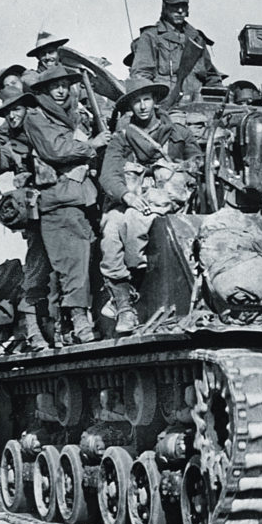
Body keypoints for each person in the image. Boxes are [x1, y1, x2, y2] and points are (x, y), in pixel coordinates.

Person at [98, 78, 201, 334]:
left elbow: (198, 163)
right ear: (131, 107)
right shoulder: (122, 138)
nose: (142, 106)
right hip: (132, 199)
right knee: (112, 229)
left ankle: (138, 278)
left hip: (169, 201)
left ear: (155, 102)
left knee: (138, 221)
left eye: (146, 99)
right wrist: (127, 196)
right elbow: (108, 175)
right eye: (137, 101)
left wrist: (177, 178)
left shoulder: (177, 133)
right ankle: (123, 305)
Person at [23, 64, 109, 344]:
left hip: (84, 198)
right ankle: (79, 321)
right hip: (59, 201)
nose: (61, 91)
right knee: (72, 263)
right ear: (44, 90)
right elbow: (56, 150)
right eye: (54, 86)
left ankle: (80, 320)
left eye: (64, 85)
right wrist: (93, 145)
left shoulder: (75, 115)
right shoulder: (36, 117)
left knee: (88, 260)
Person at [0, 87, 53, 350]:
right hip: (37, 214)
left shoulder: (47, 128)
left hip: (63, 208)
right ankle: (33, 331)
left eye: (17, 109)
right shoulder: (10, 141)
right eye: (8, 111)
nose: (12, 116)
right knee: (37, 269)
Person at [129, 0, 225, 101]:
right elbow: (141, 76)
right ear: (165, 7)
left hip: (196, 107)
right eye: (175, 5)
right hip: (165, 107)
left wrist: (219, 99)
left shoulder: (197, 39)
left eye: (183, 5)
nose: (180, 10)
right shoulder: (150, 37)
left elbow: (212, 77)